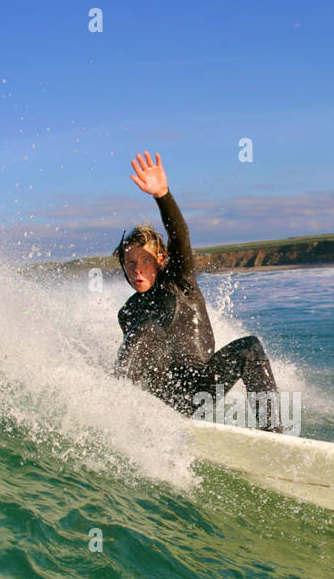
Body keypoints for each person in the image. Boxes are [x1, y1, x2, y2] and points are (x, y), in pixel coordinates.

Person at [112, 151, 282, 432]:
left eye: (145, 261)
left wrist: (162, 195)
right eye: (130, 263)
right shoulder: (128, 312)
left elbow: (180, 236)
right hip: (161, 396)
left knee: (250, 347)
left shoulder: (180, 280)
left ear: (162, 261)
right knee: (147, 330)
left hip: (200, 384)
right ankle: (113, 413)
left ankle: (274, 435)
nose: (137, 270)